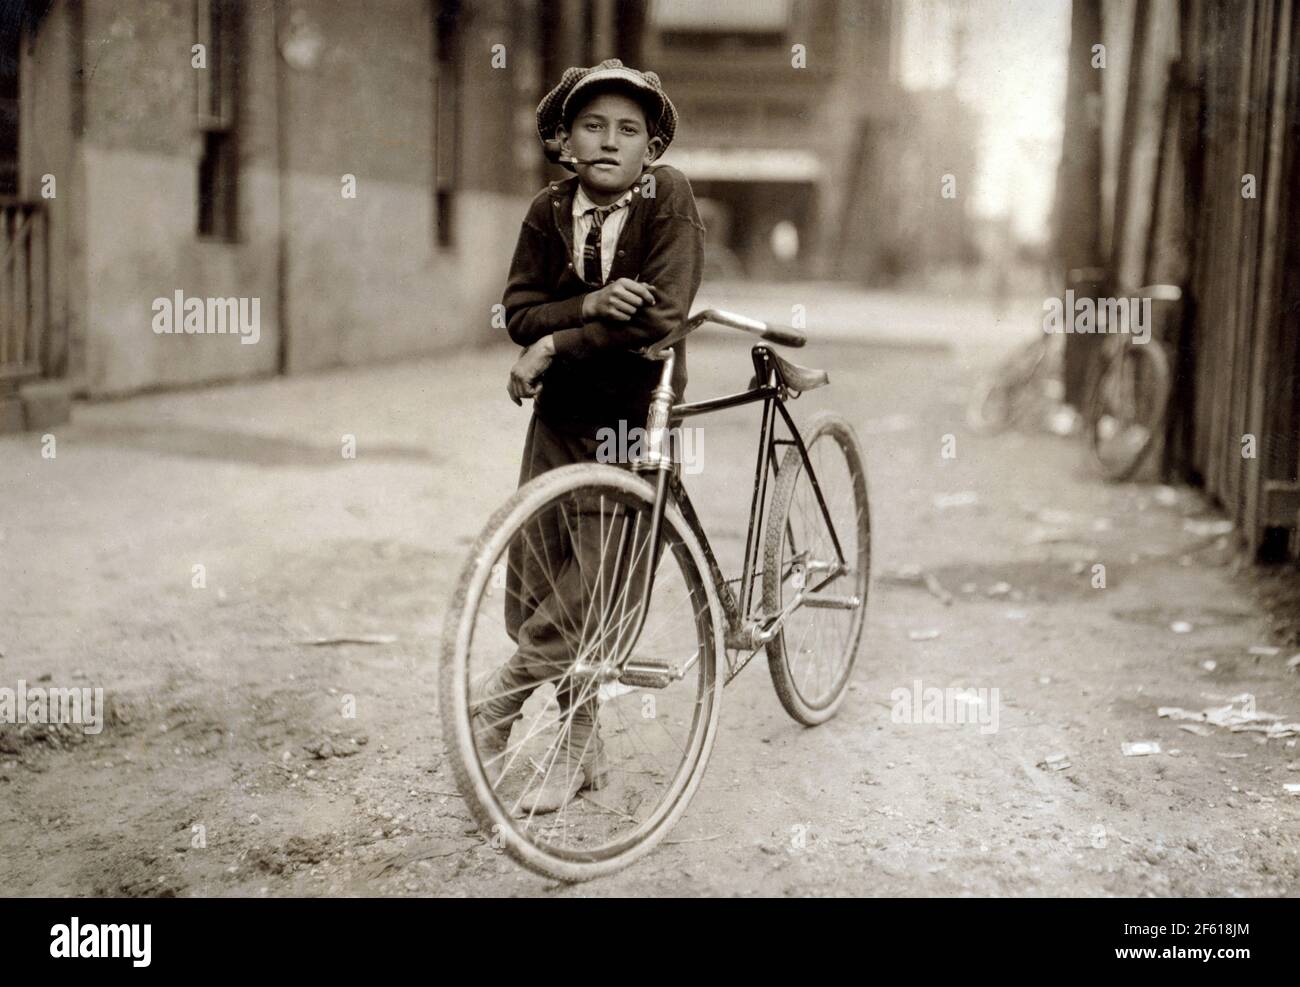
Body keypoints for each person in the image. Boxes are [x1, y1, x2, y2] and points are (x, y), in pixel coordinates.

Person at [470, 59, 705, 815]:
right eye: (592, 126)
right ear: (565, 141)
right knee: (539, 565)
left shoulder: (668, 199)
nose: (609, 141)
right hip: (559, 414)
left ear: (651, 149)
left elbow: (661, 316)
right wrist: (591, 304)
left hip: (633, 415)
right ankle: (587, 744)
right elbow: (517, 311)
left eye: (628, 130)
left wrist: (557, 342)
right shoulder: (548, 210)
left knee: (597, 581)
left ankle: (506, 701)